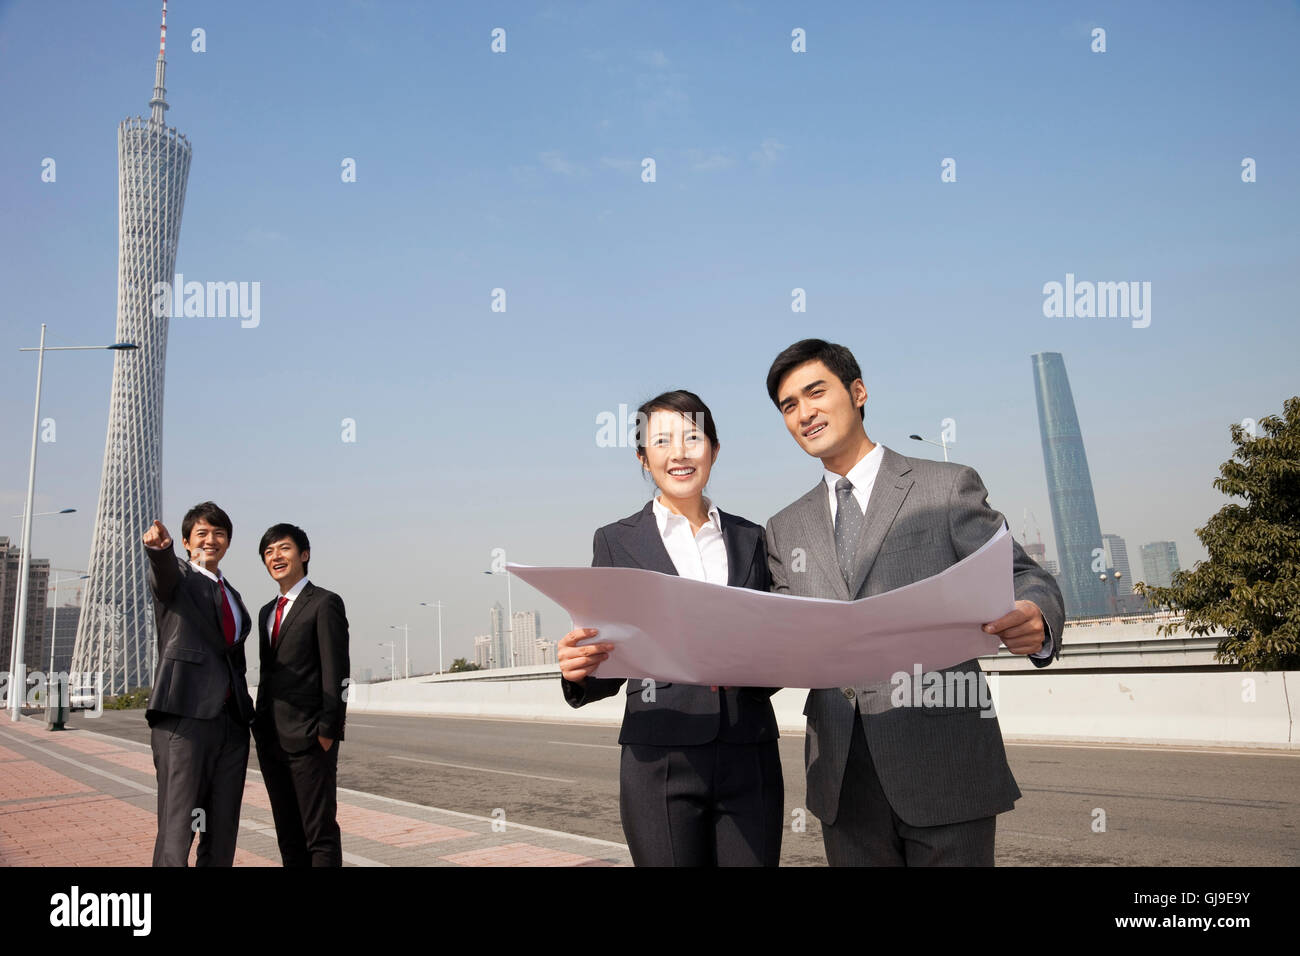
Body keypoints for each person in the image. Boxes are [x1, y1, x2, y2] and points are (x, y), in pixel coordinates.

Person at [762, 339, 1065, 866]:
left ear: (857, 392)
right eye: (789, 406)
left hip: (945, 761)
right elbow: (783, 635)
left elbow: (1023, 575)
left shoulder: (944, 487)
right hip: (841, 776)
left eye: (815, 392)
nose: (804, 412)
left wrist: (1035, 613)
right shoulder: (784, 527)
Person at [558, 390, 784, 866]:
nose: (679, 453)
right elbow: (609, 663)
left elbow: (774, 654)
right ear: (643, 458)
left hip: (750, 753)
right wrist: (578, 670)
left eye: (692, 437)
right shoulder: (617, 543)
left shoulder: (754, 538)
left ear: (715, 450)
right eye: (661, 441)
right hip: (659, 758)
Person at [143, 501, 254, 867]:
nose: (211, 540)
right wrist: (160, 551)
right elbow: (163, 577)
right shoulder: (180, 580)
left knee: (221, 832)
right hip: (185, 719)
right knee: (178, 829)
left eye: (219, 533)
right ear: (187, 543)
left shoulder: (233, 595)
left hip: (231, 725)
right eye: (202, 534)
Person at [251, 523, 350, 867]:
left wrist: (327, 732)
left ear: (304, 555)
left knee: (318, 834)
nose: (275, 556)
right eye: (268, 552)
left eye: (284, 548)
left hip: (310, 740)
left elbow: (337, 673)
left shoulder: (324, 603)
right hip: (271, 740)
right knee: (287, 834)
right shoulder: (266, 612)